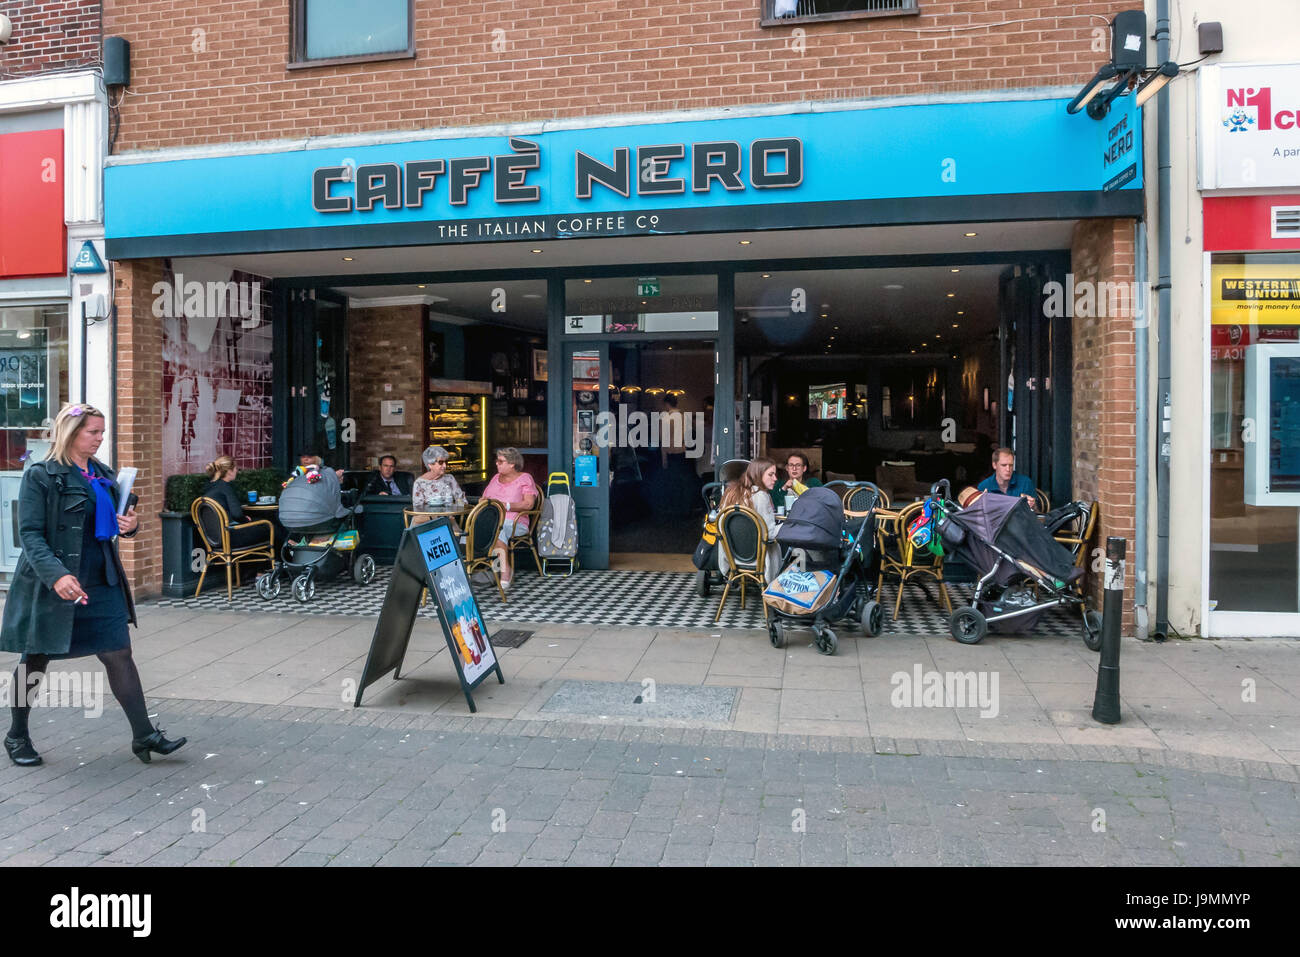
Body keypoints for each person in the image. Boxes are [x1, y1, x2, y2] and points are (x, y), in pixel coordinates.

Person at [1, 403, 186, 767]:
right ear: (71, 433)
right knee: (35, 658)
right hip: (53, 581)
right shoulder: (42, 474)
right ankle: (16, 735)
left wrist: (130, 526)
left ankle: (144, 735)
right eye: (93, 432)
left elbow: (115, 525)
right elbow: (30, 535)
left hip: (100, 579)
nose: (101, 439)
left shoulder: (101, 472)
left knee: (118, 652)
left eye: (102, 432)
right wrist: (56, 575)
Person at [481, 447, 539, 590]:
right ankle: (481, 570)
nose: (497, 464)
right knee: (474, 529)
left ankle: (504, 570)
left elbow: (528, 504)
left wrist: (505, 506)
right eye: (497, 460)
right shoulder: (495, 478)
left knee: (497, 528)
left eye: (501, 461)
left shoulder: (525, 478)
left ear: (512, 463)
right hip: (492, 519)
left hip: (515, 522)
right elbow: (485, 498)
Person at [718, 457, 782, 582]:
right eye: (771, 474)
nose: (775, 479)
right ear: (758, 474)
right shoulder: (761, 495)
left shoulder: (730, 492)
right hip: (757, 559)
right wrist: (788, 525)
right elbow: (769, 534)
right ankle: (778, 587)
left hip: (732, 556)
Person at [202, 455, 274, 550]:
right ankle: (286, 557)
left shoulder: (209, 486)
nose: (237, 471)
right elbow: (237, 514)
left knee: (262, 524)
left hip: (213, 539)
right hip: (231, 537)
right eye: (236, 468)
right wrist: (245, 520)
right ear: (229, 471)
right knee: (270, 525)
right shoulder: (225, 487)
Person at [411, 446, 467, 517]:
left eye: (446, 462)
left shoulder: (449, 478)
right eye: (440, 462)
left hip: (449, 519)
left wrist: (454, 509)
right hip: (427, 523)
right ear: (430, 465)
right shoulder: (419, 483)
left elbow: (462, 501)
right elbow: (418, 510)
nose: (445, 466)